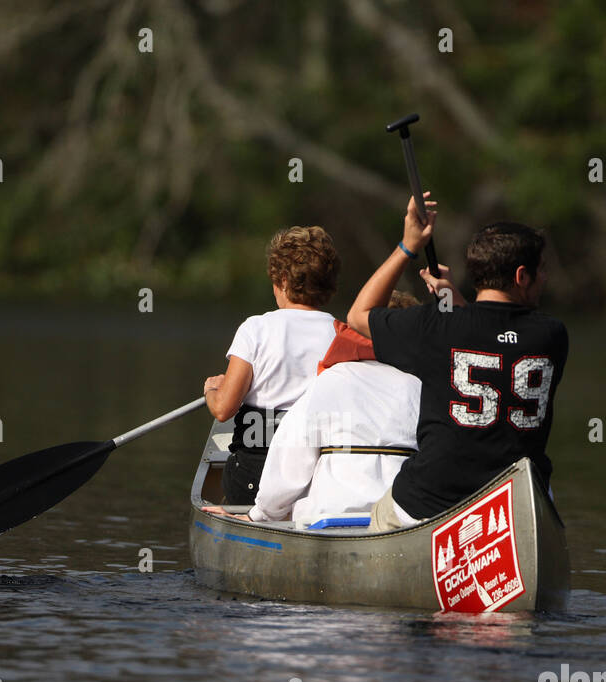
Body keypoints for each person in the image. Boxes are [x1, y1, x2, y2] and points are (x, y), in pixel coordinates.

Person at [346, 193, 568, 532]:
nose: (545, 279)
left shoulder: (436, 325)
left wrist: (407, 247)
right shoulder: (552, 336)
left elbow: (358, 316)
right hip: (513, 509)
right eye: (542, 271)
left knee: (380, 513)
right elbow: (496, 337)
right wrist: (456, 304)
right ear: (521, 276)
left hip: (430, 505)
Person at [211, 292, 423, 526]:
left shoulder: (331, 380)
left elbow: (289, 461)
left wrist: (259, 514)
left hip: (331, 516)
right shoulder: (421, 387)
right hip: (399, 517)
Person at [203, 226, 340, 505]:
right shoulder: (343, 333)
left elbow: (223, 409)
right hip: (318, 480)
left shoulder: (256, 328)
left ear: (285, 280)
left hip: (255, 476)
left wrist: (212, 389)